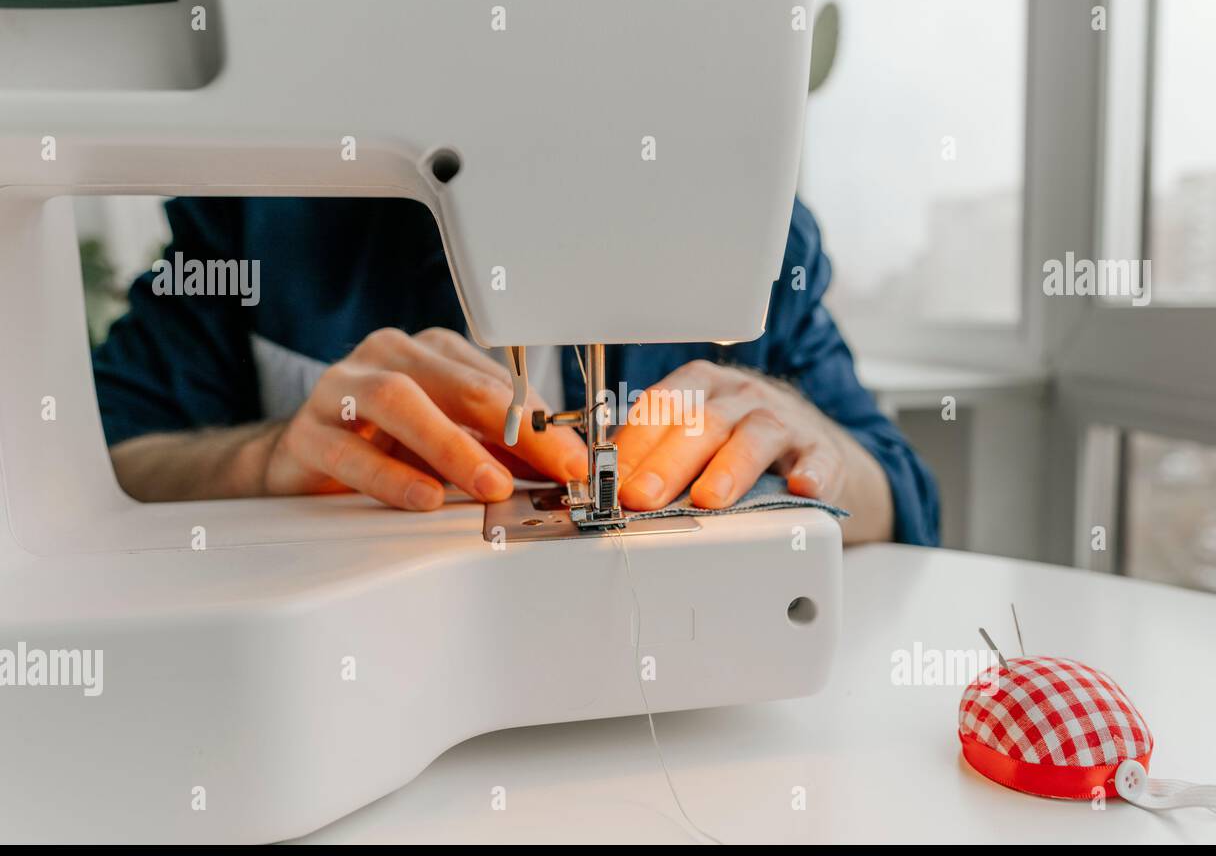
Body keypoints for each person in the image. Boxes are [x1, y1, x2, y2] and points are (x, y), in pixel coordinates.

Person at [93, 197, 940, 547]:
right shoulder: (254, 220)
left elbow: (906, 499)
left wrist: (810, 436)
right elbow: (98, 462)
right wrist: (271, 458)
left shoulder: (753, 238)